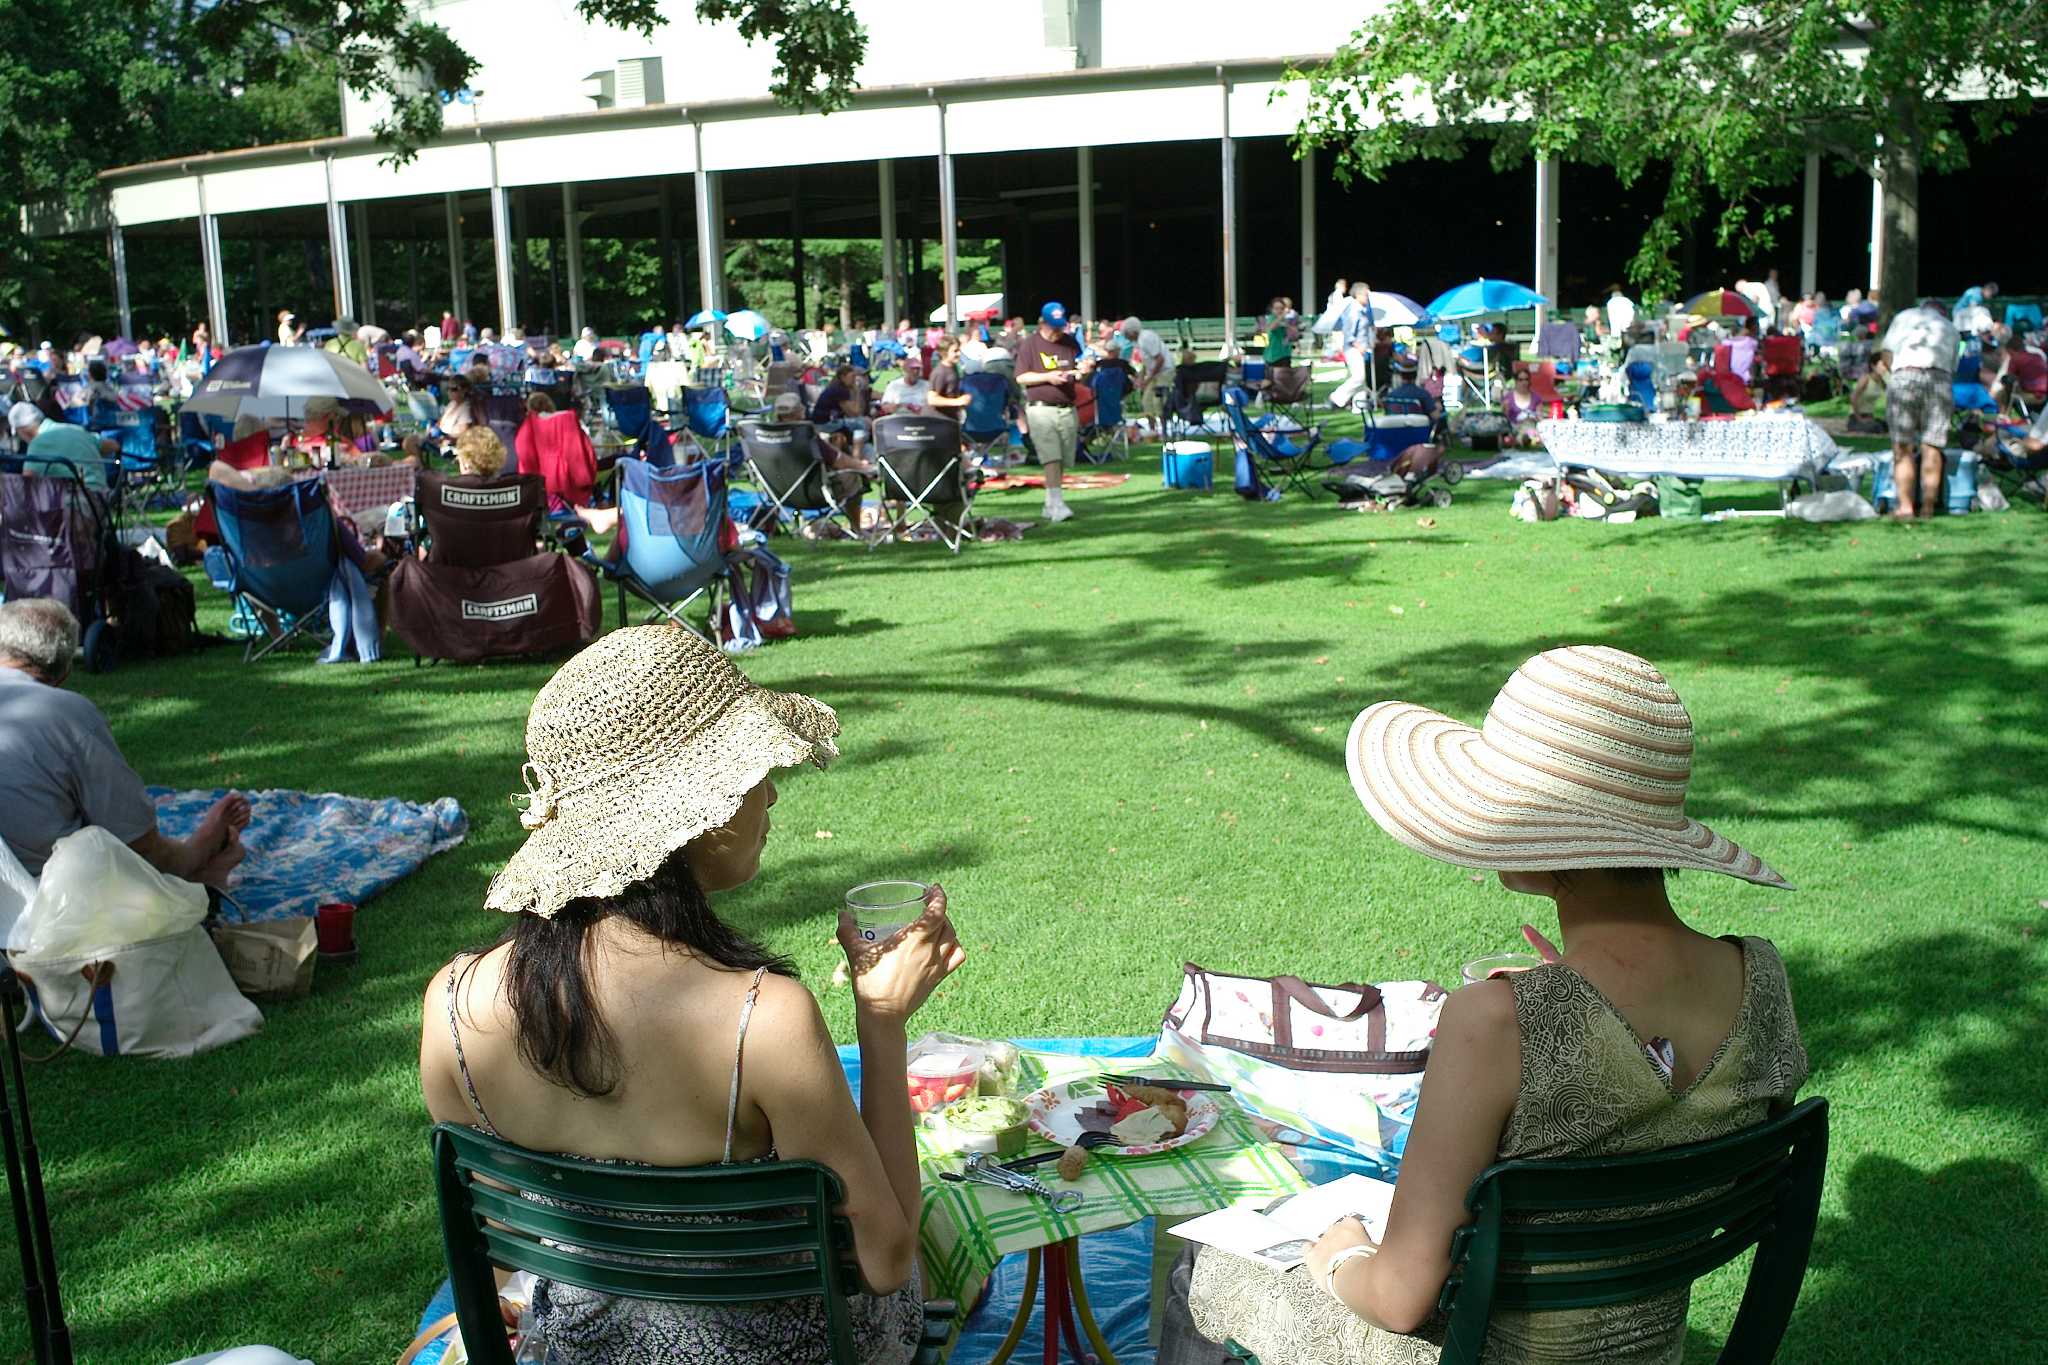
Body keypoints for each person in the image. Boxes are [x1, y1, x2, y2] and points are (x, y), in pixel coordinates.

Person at [1162, 645, 1806, 1365]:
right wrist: (1587, 1005)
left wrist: (1342, 1257)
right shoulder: (1763, 982)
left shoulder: (1495, 1022)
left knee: (1205, 1267)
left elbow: (1401, 1297)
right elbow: (1706, 1160)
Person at [419, 626, 961, 1364]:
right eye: (749, 770)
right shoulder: (759, 1020)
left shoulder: (453, 1005)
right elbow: (886, 1261)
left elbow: (504, 1264)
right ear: (696, 813)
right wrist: (884, 1020)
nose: (769, 790)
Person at [0, 599, 250, 881]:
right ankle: (202, 862)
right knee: (148, 868)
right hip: (39, 902)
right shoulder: (66, 713)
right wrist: (199, 844)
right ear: (64, 674)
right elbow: (139, 843)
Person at [1880, 299, 1960, 520]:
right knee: (1932, 447)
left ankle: (1905, 507)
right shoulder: (1950, 328)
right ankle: (1927, 508)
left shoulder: (1904, 317)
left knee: (1902, 447)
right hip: (1939, 380)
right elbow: (1953, 368)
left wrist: (1893, 376)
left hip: (1905, 376)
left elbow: (1886, 355)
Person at [1015, 301, 1083, 523]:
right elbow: (1021, 377)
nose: (1058, 331)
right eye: (1053, 326)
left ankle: (1050, 502)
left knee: (1062, 458)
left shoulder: (1070, 343)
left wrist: (1083, 370)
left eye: (1060, 326)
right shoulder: (1030, 345)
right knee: (1051, 457)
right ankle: (1057, 504)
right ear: (1042, 322)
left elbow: (1079, 364)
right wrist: (1048, 377)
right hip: (1041, 409)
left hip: (1067, 408)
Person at [8, 401, 113, 489]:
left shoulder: (38, 443)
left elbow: (27, 484)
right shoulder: (76, 429)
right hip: (102, 499)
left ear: (22, 431)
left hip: (73, 503)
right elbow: (113, 445)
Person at [1323, 280, 1377, 410]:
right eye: (1366, 294)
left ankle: (1359, 406)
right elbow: (1349, 332)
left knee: (1360, 379)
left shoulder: (1363, 310)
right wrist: (1359, 346)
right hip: (1353, 348)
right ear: (1358, 294)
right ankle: (1335, 398)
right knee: (1359, 377)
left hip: (1360, 347)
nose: (1368, 296)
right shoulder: (1353, 310)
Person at [1119, 317, 1173, 439]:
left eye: (1126, 335)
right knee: (1146, 402)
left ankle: (1164, 432)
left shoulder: (1146, 338)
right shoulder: (1138, 342)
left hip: (1164, 372)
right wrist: (1141, 379)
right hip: (1154, 373)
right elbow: (1146, 362)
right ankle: (1153, 432)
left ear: (1132, 332)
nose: (1126, 338)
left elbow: (1160, 359)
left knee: (1158, 403)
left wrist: (1148, 379)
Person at [810, 364, 869, 456]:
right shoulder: (840, 390)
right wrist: (857, 392)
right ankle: (856, 455)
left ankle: (849, 452)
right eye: (852, 377)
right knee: (861, 424)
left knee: (858, 422)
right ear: (843, 377)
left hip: (823, 421)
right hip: (825, 424)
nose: (854, 380)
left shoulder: (836, 387)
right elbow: (855, 413)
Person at [1993, 332, 2048, 415]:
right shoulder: (2037, 356)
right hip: (2044, 395)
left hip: (2034, 396)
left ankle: (2001, 415)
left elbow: (2008, 380)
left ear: (2011, 350)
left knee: (2001, 394)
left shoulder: (2015, 359)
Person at [926, 336, 970, 421]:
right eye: (955, 351)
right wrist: (957, 401)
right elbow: (932, 399)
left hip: (951, 418)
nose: (959, 354)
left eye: (959, 350)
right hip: (938, 421)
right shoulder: (940, 372)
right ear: (944, 353)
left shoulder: (954, 367)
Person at [1847, 347, 1891, 432]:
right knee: (1877, 428)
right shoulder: (1865, 379)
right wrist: (1859, 418)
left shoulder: (1882, 381)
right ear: (1873, 366)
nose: (1885, 368)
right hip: (1856, 418)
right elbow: (1853, 398)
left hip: (1870, 417)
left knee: (1887, 426)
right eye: (1883, 365)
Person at [1261, 297, 1296, 370]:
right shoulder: (1271, 318)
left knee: (1285, 379)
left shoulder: (1286, 319)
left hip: (1285, 354)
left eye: (1281, 308)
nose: (1279, 310)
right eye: (1276, 308)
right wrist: (1282, 315)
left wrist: (1289, 327)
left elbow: (1294, 333)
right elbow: (1272, 327)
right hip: (1273, 356)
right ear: (1272, 309)